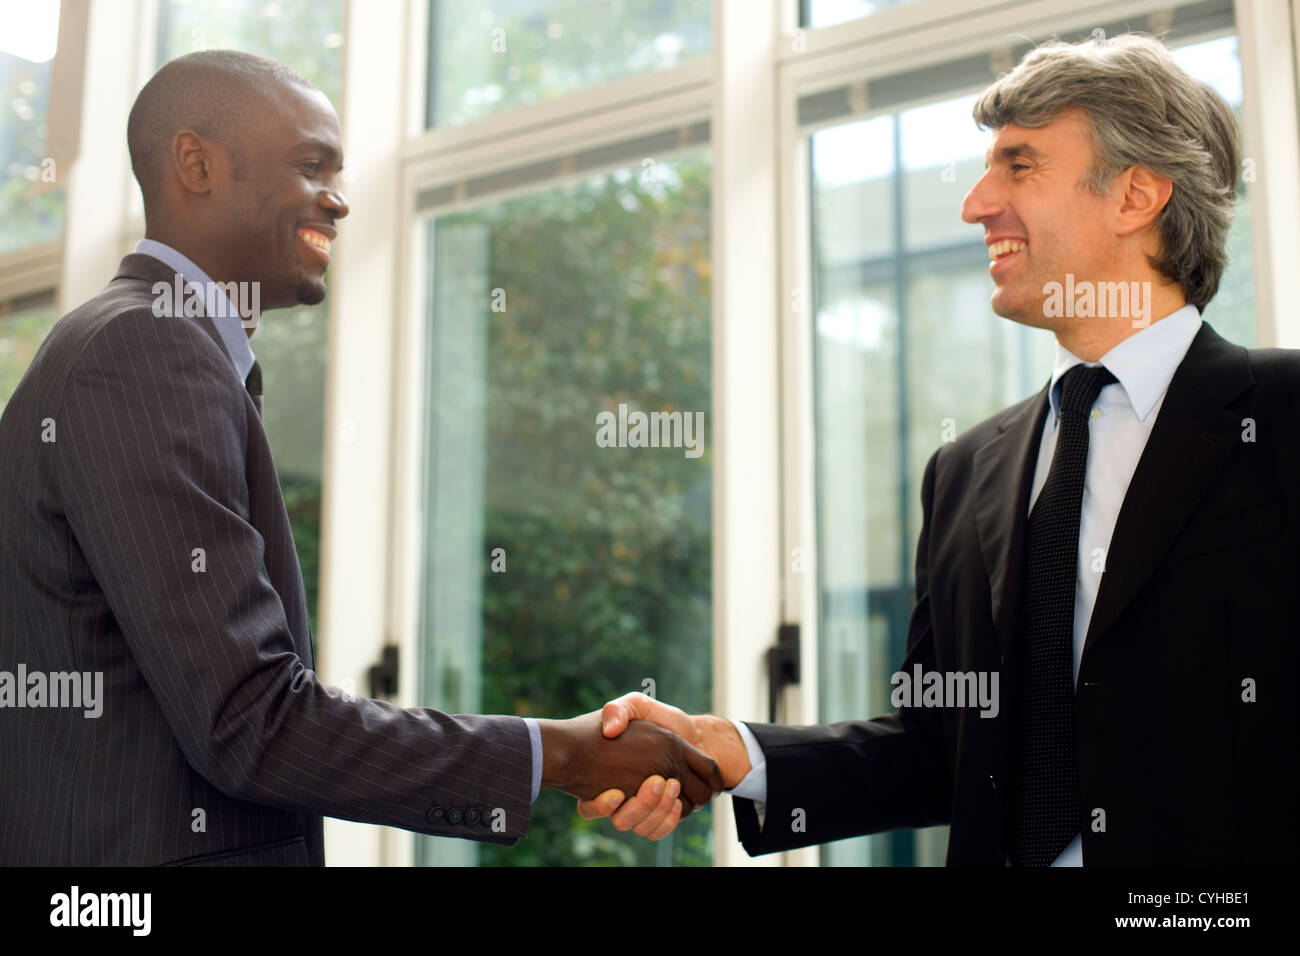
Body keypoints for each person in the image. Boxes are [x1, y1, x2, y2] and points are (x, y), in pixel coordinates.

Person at [581, 33, 1299, 864]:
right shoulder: (967, 472)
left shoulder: (1281, 418)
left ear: (1135, 195)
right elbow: (938, 750)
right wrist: (726, 749)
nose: (975, 204)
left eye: (1019, 166)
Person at [0, 50, 719, 866]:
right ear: (195, 163)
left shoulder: (150, 346)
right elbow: (250, 723)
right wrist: (565, 754)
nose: (338, 201)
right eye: (311, 167)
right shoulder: (146, 348)